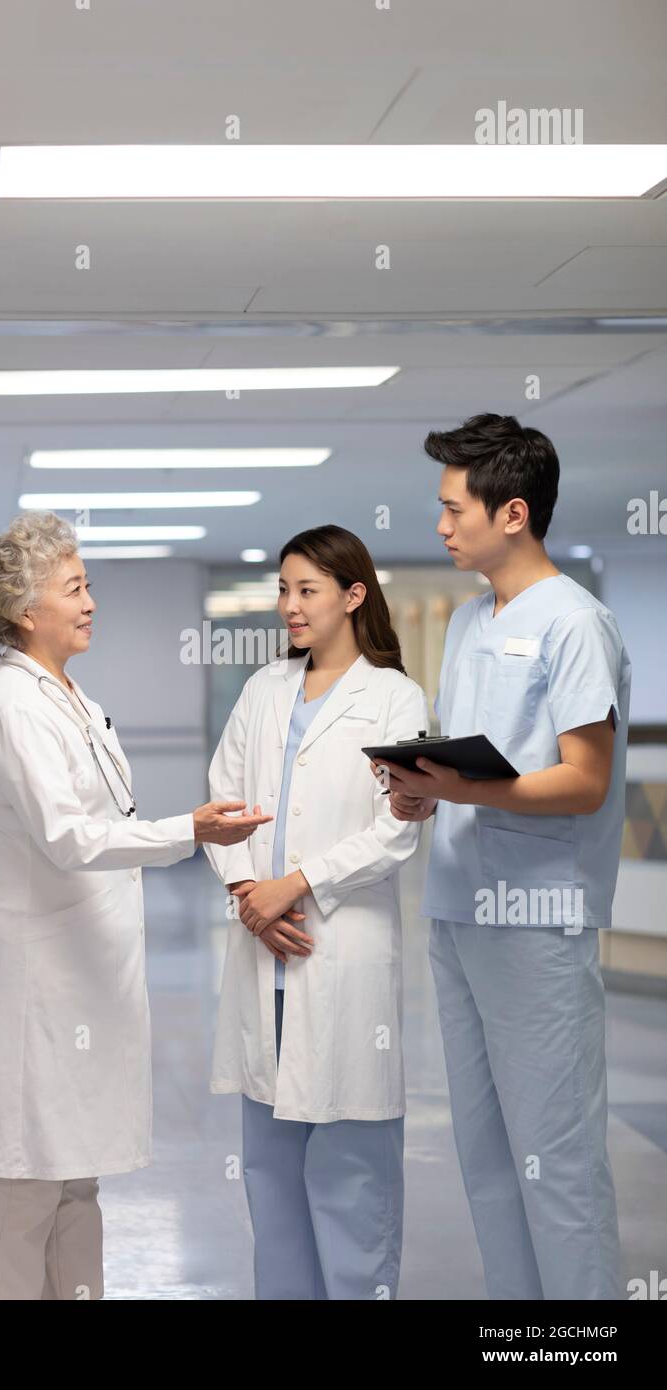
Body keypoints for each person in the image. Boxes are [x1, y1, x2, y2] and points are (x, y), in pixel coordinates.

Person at [0, 510, 271, 1300]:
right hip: (45, 971)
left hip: (88, 968)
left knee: (76, 1172)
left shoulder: (66, 695)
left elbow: (106, 821)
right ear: (28, 612)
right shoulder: (14, 703)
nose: (91, 602)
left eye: (88, 584)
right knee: (31, 1171)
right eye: (74, 589)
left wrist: (178, 832)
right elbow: (69, 837)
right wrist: (190, 830)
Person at [373, 414, 630, 1300]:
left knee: (554, 1159)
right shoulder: (476, 619)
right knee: (486, 1157)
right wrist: (420, 787)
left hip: (538, 920)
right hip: (458, 911)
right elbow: (473, 762)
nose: (441, 527)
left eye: (454, 509)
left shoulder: (575, 625)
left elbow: (586, 781)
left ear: (512, 512)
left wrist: (466, 791)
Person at [204, 525, 429, 1299]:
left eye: (307, 590)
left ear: (353, 595)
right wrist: (248, 895)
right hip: (264, 951)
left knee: (351, 1177)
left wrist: (294, 884)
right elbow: (223, 801)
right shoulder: (264, 689)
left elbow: (398, 826)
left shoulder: (395, 696)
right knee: (269, 1175)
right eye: (283, 589)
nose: (289, 606)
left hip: (341, 955)